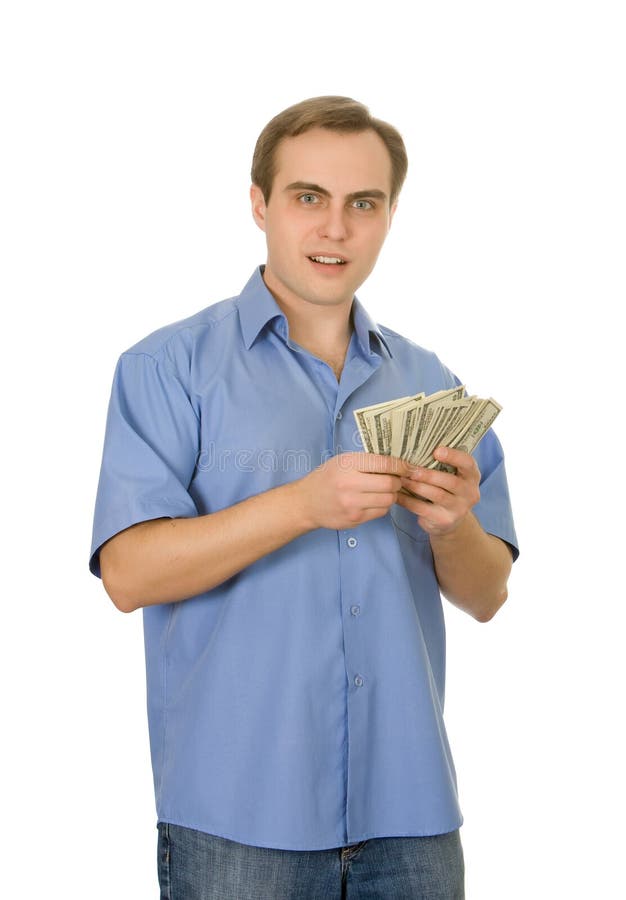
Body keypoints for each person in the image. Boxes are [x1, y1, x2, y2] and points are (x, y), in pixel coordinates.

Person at [90, 96, 518, 900]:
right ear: (260, 205)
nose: (336, 229)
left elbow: (489, 593)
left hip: (413, 814)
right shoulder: (165, 368)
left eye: (364, 203)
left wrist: (452, 525)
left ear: (391, 214)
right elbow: (127, 575)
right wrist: (303, 504)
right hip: (238, 822)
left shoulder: (433, 381)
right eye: (308, 198)